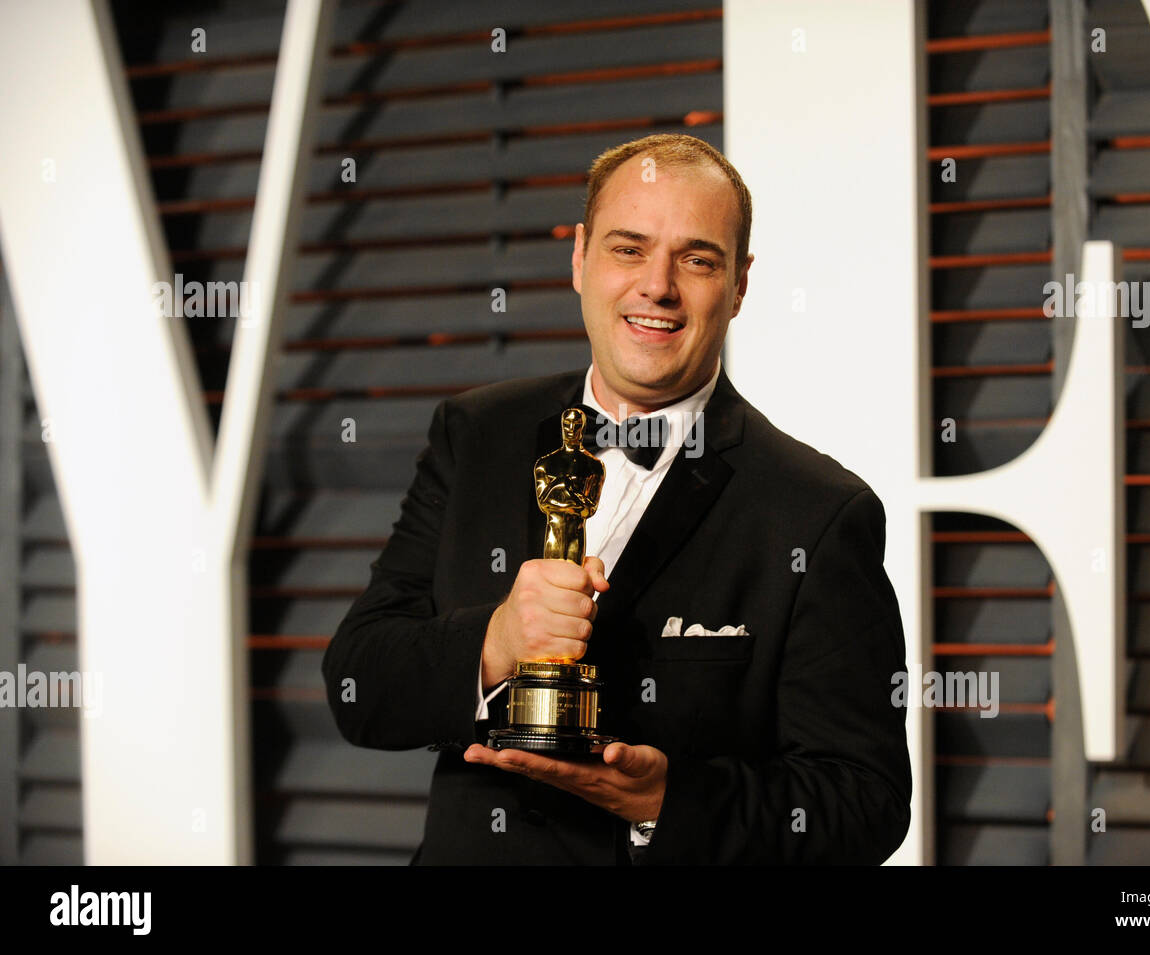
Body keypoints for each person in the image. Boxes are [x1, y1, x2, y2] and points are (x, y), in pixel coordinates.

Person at [322, 133, 910, 864]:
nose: (656, 286)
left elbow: (866, 799)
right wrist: (496, 642)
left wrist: (665, 802)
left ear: (740, 286)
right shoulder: (476, 434)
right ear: (579, 258)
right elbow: (357, 683)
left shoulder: (818, 511)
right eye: (628, 249)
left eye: (697, 259)